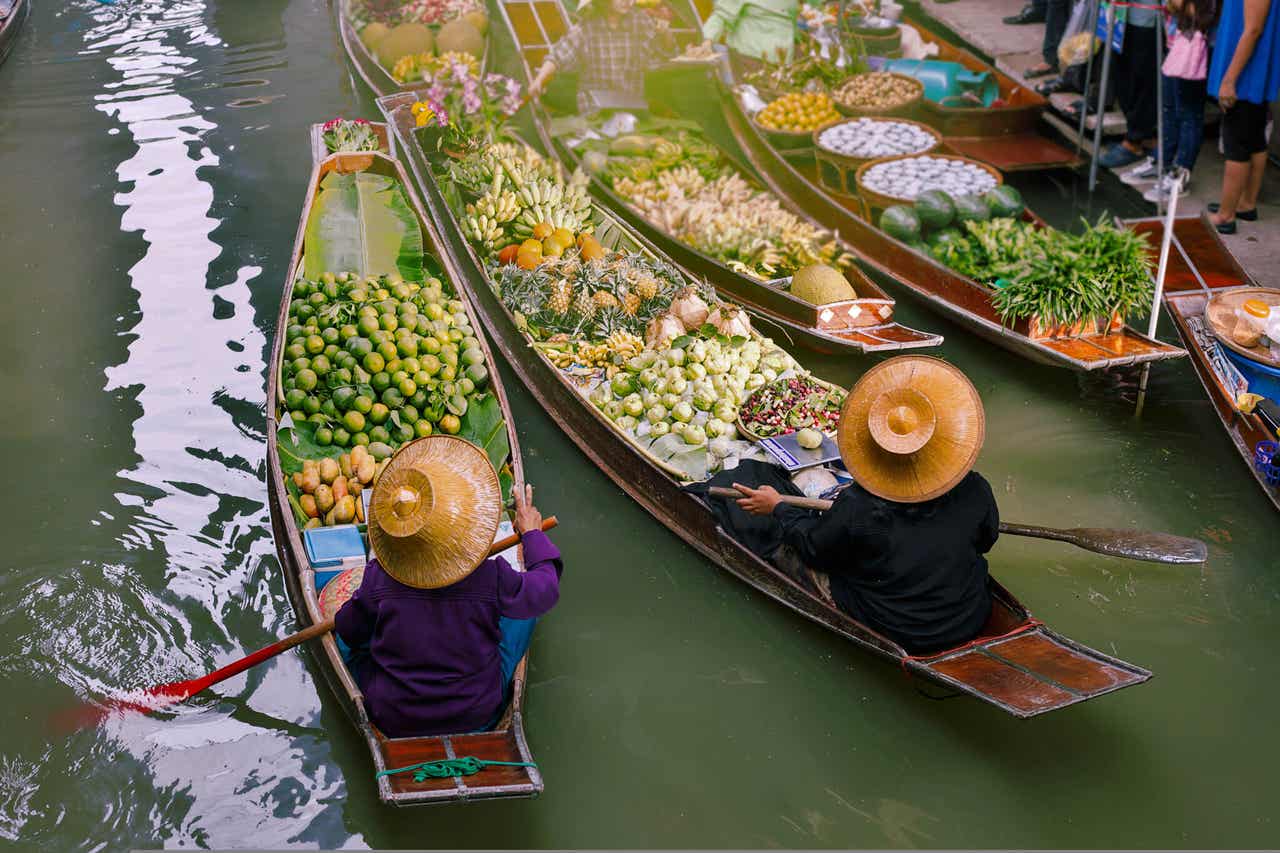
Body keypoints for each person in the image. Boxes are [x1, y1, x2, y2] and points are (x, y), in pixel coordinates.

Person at [719, 356, 998, 655]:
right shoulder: (975, 487)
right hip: (970, 616)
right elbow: (986, 540)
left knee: (778, 530)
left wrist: (778, 508)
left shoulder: (861, 506)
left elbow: (815, 549)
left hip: (897, 627)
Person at [329, 436, 563, 738]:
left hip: (394, 716)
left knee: (345, 635)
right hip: (476, 712)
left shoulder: (379, 577)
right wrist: (532, 534)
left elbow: (349, 630)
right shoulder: (492, 576)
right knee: (524, 612)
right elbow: (546, 587)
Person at [1206, 0, 1279, 233]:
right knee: (1255, 138)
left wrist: (1229, 80)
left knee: (1236, 141)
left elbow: (1253, 29)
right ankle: (1246, 204)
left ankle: (1225, 215)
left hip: (1246, 73)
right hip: (1252, 70)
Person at [527, 0, 676, 113]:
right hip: (594, 109)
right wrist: (539, 79)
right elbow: (559, 55)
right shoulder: (587, 27)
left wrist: (665, 33)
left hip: (631, 107)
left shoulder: (640, 21)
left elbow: (666, 53)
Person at [1143, 0, 1219, 203]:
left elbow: (1193, 9)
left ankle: (1181, 173)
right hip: (1177, 41)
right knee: (1169, 107)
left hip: (1195, 46)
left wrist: (1176, 5)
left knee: (1189, 112)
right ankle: (1163, 162)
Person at [1098, 3, 1163, 169]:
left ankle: (1135, 140)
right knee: (1123, 75)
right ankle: (1144, 136)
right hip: (1121, 13)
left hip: (1147, 15)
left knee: (1142, 78)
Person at [701, 0, 799, 63]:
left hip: (755, 58)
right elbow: (721, 15)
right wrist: (707, 40)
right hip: (773, 59)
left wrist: (707, 40)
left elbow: (721, 15)